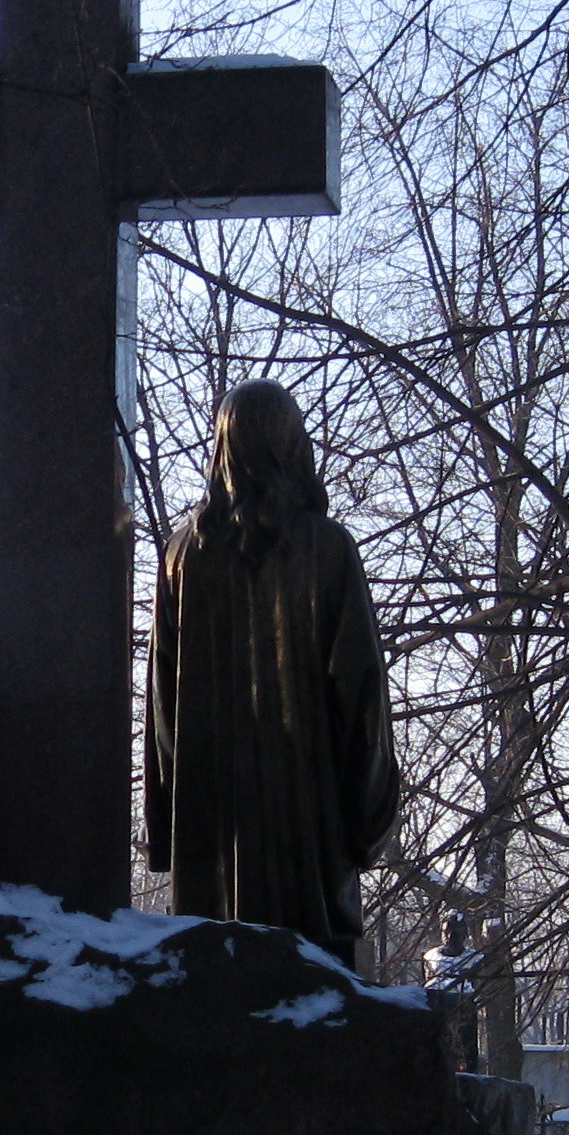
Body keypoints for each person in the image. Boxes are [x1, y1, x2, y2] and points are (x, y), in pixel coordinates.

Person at [145, 380, 402, 963]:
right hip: (309, 849)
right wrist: (368, 819)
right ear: (291, 442)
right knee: (313, 1004)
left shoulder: (183, 555)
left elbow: (162, 706)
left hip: (208, 849)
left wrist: (166, 830)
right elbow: (360, 695)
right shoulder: (329, 549)